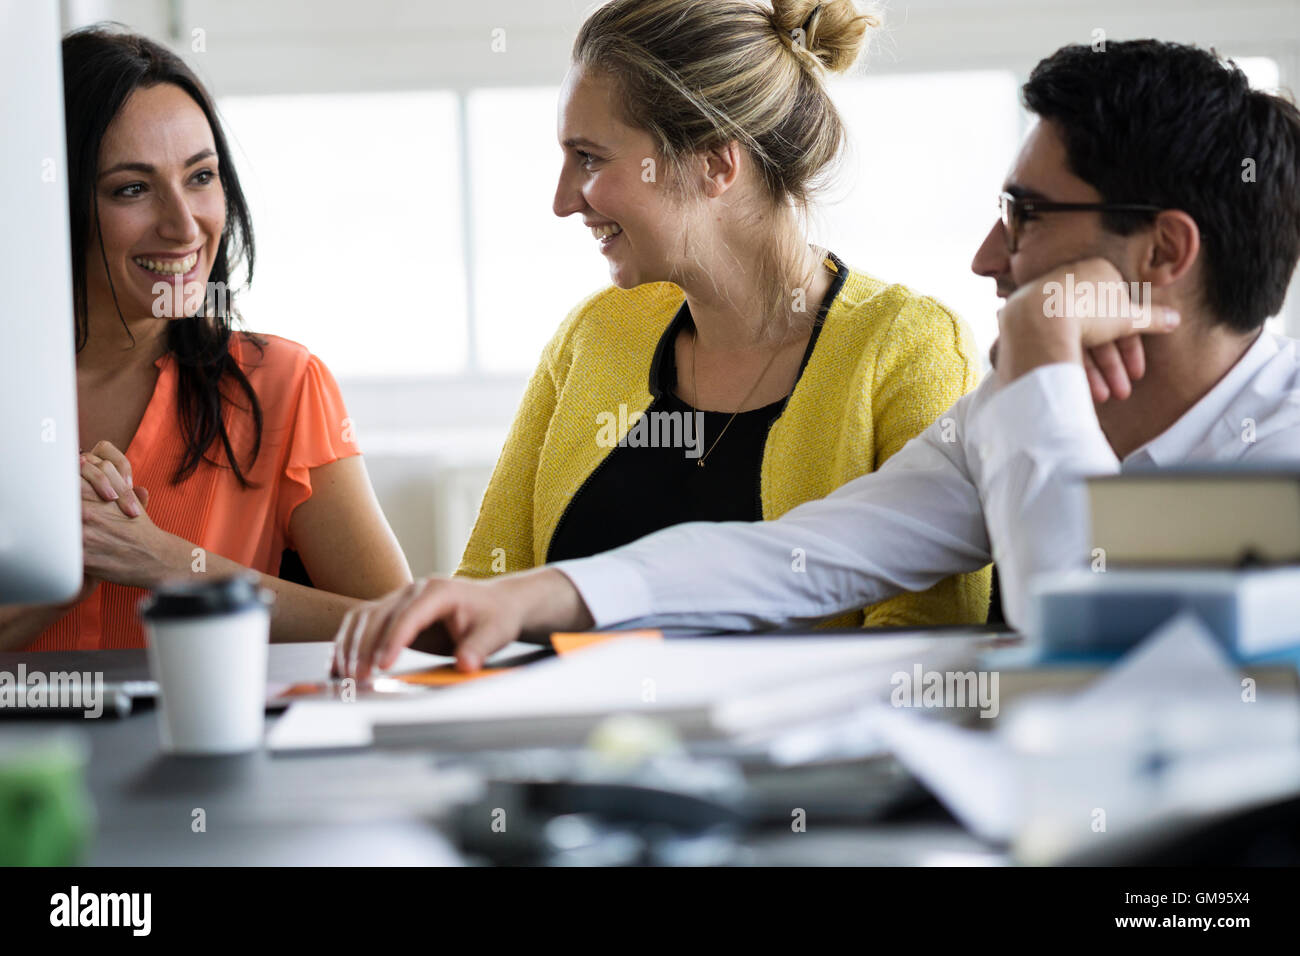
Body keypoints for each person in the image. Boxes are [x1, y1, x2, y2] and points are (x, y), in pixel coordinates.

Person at [333, 39, 1300, 677]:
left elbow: (1091, 645)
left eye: (1027, 216)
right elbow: (801, 557)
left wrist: (1043, 355)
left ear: (1166, 253)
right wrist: (534, 595)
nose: (988, 257)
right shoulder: (1011, 407)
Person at [454, 0, 989, 633]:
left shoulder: (909, 346)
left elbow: (921, 648)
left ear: (714, 162)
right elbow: (488, 595)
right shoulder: (594, 335)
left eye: (590, 158)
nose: (563, 200)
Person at [0, 27, 412, 651]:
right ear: (51, 203)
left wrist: (162, 561)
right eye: (131, 188)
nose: (184, 224)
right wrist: (64, 565)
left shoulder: (284, 385)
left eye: (200, 176)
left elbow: (404, 633)